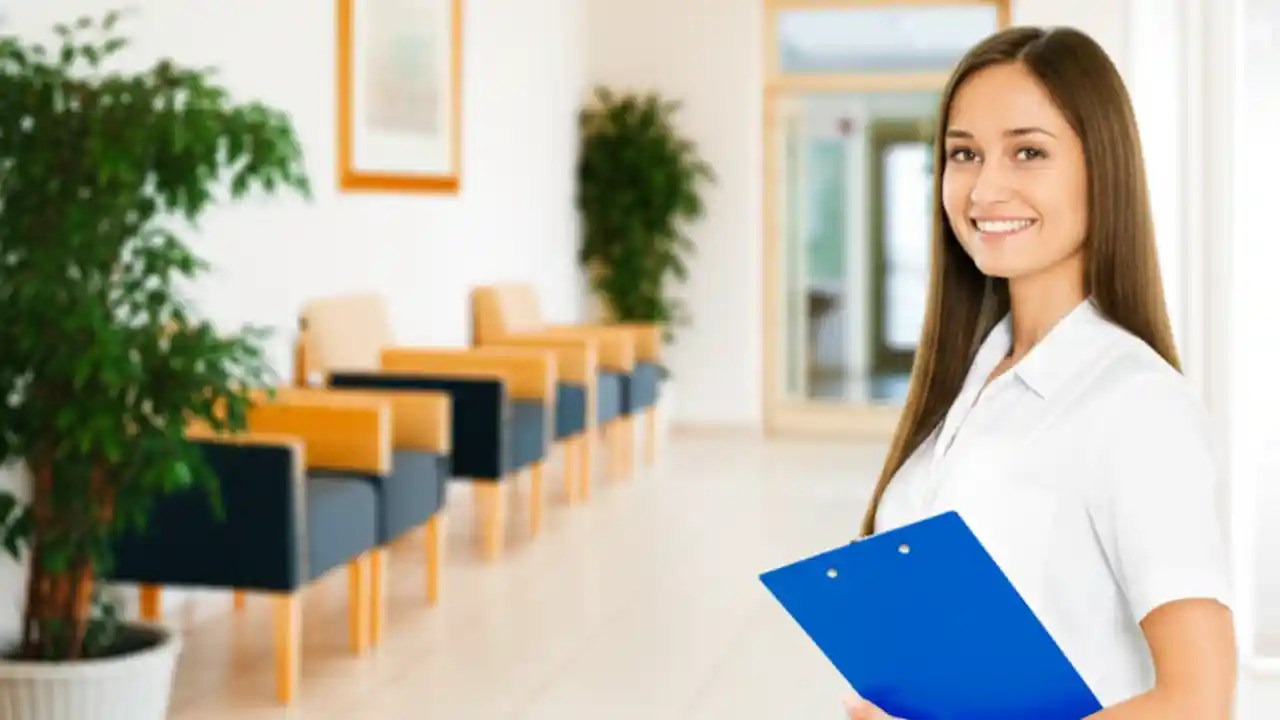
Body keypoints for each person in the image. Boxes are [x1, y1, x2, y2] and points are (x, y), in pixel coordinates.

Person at [842, 26, 1236, 720]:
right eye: (964, 154)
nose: (985, 187)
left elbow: (1198, 702)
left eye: (1028, 152)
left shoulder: (1139, 404)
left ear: (1101, 167)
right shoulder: (973, 381)